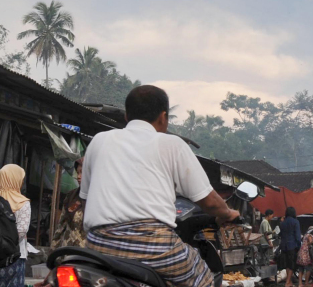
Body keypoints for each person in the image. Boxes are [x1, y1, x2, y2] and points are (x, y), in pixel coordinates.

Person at [81, 86, 239, 287]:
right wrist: (227, 213)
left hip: (98, 247)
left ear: (127, 115)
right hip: (154, 246)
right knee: (204, 278)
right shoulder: (172, 144)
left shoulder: (99, 141)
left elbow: (85, 200)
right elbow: (209, 202)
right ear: (164, 117)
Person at [54, 158, 86, 248]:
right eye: (78, 172)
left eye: (82, 172)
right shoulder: (71, 196)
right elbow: (61, 227)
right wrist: (53, 253)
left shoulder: (99, 199)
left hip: (86, 257)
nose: (78, 176)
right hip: (67, 253)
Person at [278, 207, 302, 287]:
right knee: (292, 264)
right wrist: (299, 246)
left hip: (283, 246)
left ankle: (290, 282)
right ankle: (287, 282)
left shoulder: (282, 223)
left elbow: (281, 235)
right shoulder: (295, 222)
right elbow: (298, 236)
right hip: (292, 245)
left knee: (287, 264)